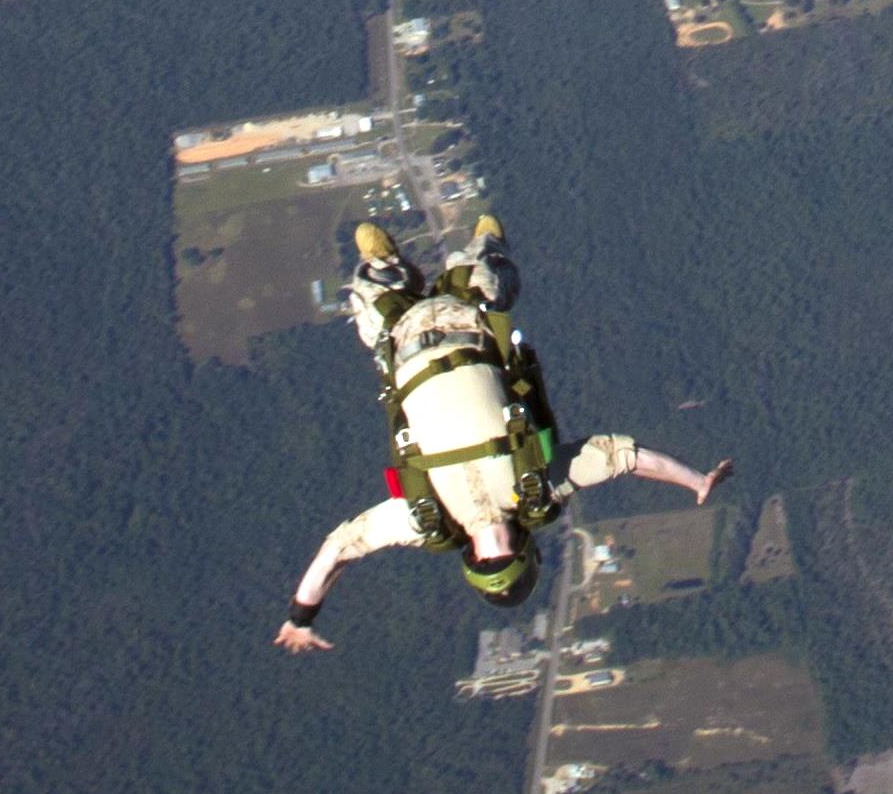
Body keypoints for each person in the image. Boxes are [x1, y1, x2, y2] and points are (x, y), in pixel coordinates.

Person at [276, 214, 722, 649]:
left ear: (527, 554)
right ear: (472, 565)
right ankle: (383, 270)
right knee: (375, 312)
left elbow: (627, 456)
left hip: (470, 317)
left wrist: (695, 481)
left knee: (492, 282)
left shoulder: (540, 488)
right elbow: (338, 549)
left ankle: (484, 247)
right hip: (402, 336)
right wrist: (300, 616)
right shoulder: (423, 517)